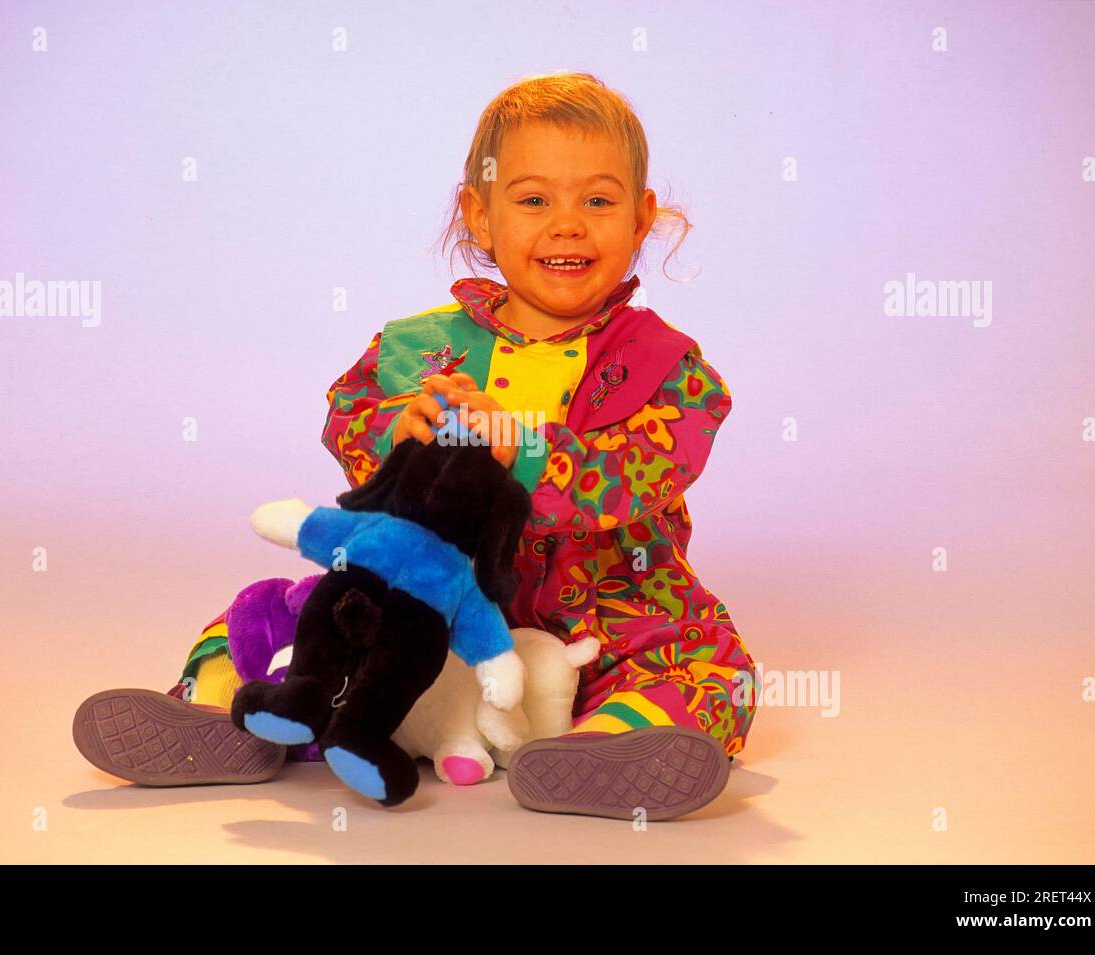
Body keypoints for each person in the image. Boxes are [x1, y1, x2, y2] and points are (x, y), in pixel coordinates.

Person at [73, 71, 758, 821]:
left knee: (710, 669)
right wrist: (403, 428)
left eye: (598, 200)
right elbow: (347, 415)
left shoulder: (666, 365)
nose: (568, 225)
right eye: (534, 200)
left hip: (606, 616)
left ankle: (600, 747)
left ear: (642, 217)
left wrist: (513, 447)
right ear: (481, 214)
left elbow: (638, 475)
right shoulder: (422, 347)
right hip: (429, 604)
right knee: (306, 611)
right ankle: (219, 712)